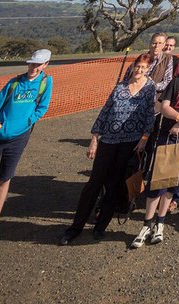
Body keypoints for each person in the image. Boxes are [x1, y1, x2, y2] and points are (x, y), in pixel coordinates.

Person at [61, 52, 155, 244]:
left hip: (130, 142)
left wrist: (145, 138)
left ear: (148, 70)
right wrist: (94, 138)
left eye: (144, 68)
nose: (139, 70)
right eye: (138, 66)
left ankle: (100, 227)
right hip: (108, 140)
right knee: (94, 183)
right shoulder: (120, 87)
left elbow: (149, 115)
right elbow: (105, 111)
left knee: (114, 184)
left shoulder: (149, 88)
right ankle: (75, 227)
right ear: (133, 66)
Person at [133, 49, 179, 247]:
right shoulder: (175, 82)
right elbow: (164, 106)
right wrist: (177, 118)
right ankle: (146, 223)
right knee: (158, 180)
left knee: (173, 181)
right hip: (167, 135)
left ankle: (160, 222)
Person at [0, 48, 52, 216]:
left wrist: (28, 121)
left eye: (38, 65)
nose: (34, 68)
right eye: (32, 64)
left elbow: (43, 107)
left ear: (45, 65)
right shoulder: (14, 82)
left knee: (5, 177)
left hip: (18, 138)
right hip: (0, 133)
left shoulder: (45, 83)